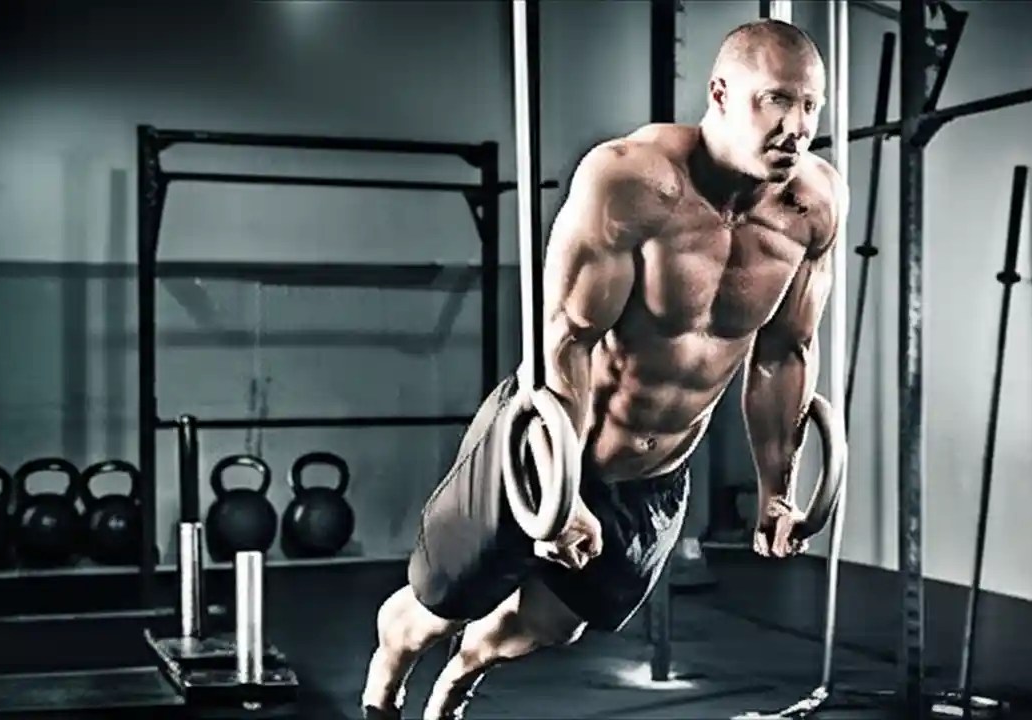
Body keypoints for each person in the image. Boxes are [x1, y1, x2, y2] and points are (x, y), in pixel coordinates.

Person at [361, 18, 848, 720]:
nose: (797, 127)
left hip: (654, 476)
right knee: (435, 610)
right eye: (775, 100)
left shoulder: (813, 206)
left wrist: (778, 489)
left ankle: (463, 671)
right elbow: (568, 340)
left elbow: (785, 353)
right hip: (545, 450)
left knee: (552, 625)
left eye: (810, 106)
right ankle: (389, 675)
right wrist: (561, 493)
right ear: (719, 91)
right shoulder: (631, 180)